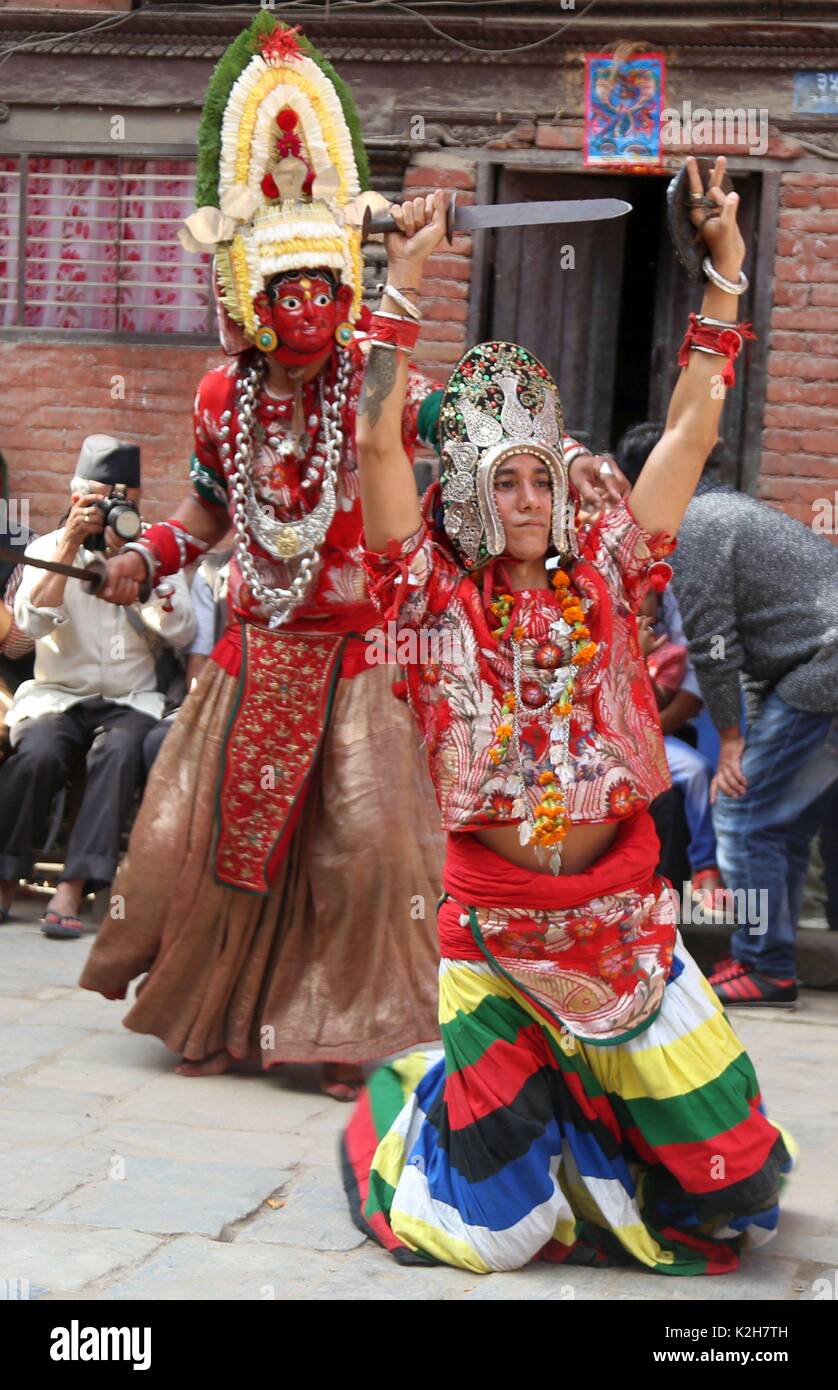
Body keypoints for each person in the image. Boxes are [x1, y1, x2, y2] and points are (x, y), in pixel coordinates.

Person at [77, 16, 612, 1101]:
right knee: (214, 839)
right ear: (255, 304)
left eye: (328, 289)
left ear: (346, 292)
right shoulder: (223, 393)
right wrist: (154, 551)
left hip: (364, 658)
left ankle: (350, 1028)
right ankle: (224, 1014)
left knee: (366, 854)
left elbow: (460, 424)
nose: (312, 308)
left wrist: (561, 454)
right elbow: (212, 509)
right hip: (252, 657)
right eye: (290, 294)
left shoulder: (374, 385)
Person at [342, 160, 794, 1276]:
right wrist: (400, 285)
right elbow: (374, 446)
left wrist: (726, 280)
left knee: (737, 1184)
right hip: (496, 946)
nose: (530, 498)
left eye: (542, 477)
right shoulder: (432, 597)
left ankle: (613, 1142)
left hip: (623, 930)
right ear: (470, 497)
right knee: (484, 1235)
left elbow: (689, 433)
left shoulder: (612, 571)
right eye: (504, 483)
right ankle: (442, 1115)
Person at [617, 425, 838, 1006]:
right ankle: (772, 962)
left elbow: (714, 646)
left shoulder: (694, 529)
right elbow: (764, 653)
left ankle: (764, 966)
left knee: (740, 813)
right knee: (775, 825)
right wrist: (749, 730)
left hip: (824, 669)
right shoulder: (725, 513)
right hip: (815, 670)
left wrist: (733, 740)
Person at [0, 435, 195, 937]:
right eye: (100, 499)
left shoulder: (152, 551)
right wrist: (69, 545)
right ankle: (6, 875)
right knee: (37, 752)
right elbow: (31, 626)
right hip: (57, 697)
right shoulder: (45, 548)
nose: (111, 510)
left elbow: (183, 631)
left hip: (130, 701)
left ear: (137, 503)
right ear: (75, 499)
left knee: (120, 750)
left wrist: (138, 571)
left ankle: (73, 883)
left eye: (122, 501)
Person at [638, 587, 729, 919]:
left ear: (660, 605)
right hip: (594, 742)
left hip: (649, 739)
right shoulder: (590, 634)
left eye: (644, 594)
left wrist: (637, 655)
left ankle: (705, 865)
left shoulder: (668, 652)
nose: (635, 600)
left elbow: (654, 706)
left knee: (694, 770)